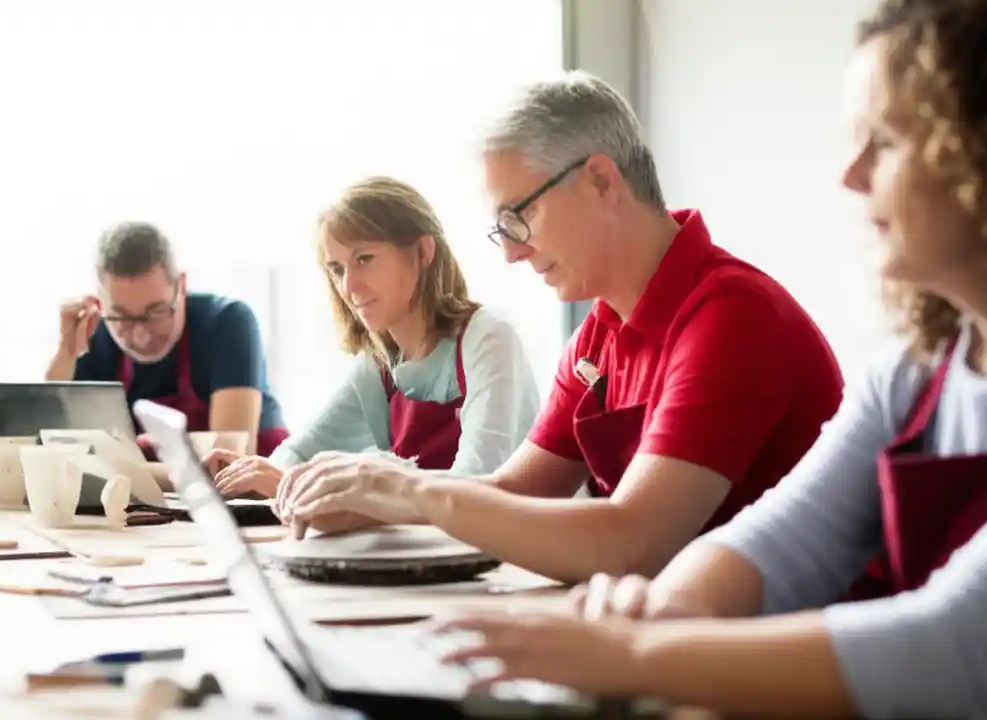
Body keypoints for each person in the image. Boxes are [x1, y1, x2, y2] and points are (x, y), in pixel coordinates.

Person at [433, 0, 987, 716]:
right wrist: (658, 612)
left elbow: (957, 644)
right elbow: (784, 538)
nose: (850, 175)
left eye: (886, 141)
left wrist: (634, 652)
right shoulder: (920, 364)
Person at [275, 72, 844, 583]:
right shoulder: (596, 339)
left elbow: (631, 542)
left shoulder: (732, 316)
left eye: (518, 217)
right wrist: (376, 502)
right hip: (672, 630)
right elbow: (511, 493)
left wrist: (407, 491)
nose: (512, 254)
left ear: (600, 180)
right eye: (502, 229)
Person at [204, 177, 540, 500]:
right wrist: (248, 476)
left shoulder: (488, 336)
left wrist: (300, 482)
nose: (349, 287)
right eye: (337, 269)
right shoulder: (379, 365)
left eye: (364, 259)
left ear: (423, 252)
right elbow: (299, 453)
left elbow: (476, 481)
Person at [46, 221, 287, 456]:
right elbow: (49, 455)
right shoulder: (93, 336)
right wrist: (66, 353)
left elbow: (228, 462)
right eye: (122, 317)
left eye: (156, 312)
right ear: (100, 302)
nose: (141, 336)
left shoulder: (227, 322)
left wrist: (122, 470)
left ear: (181, 286)